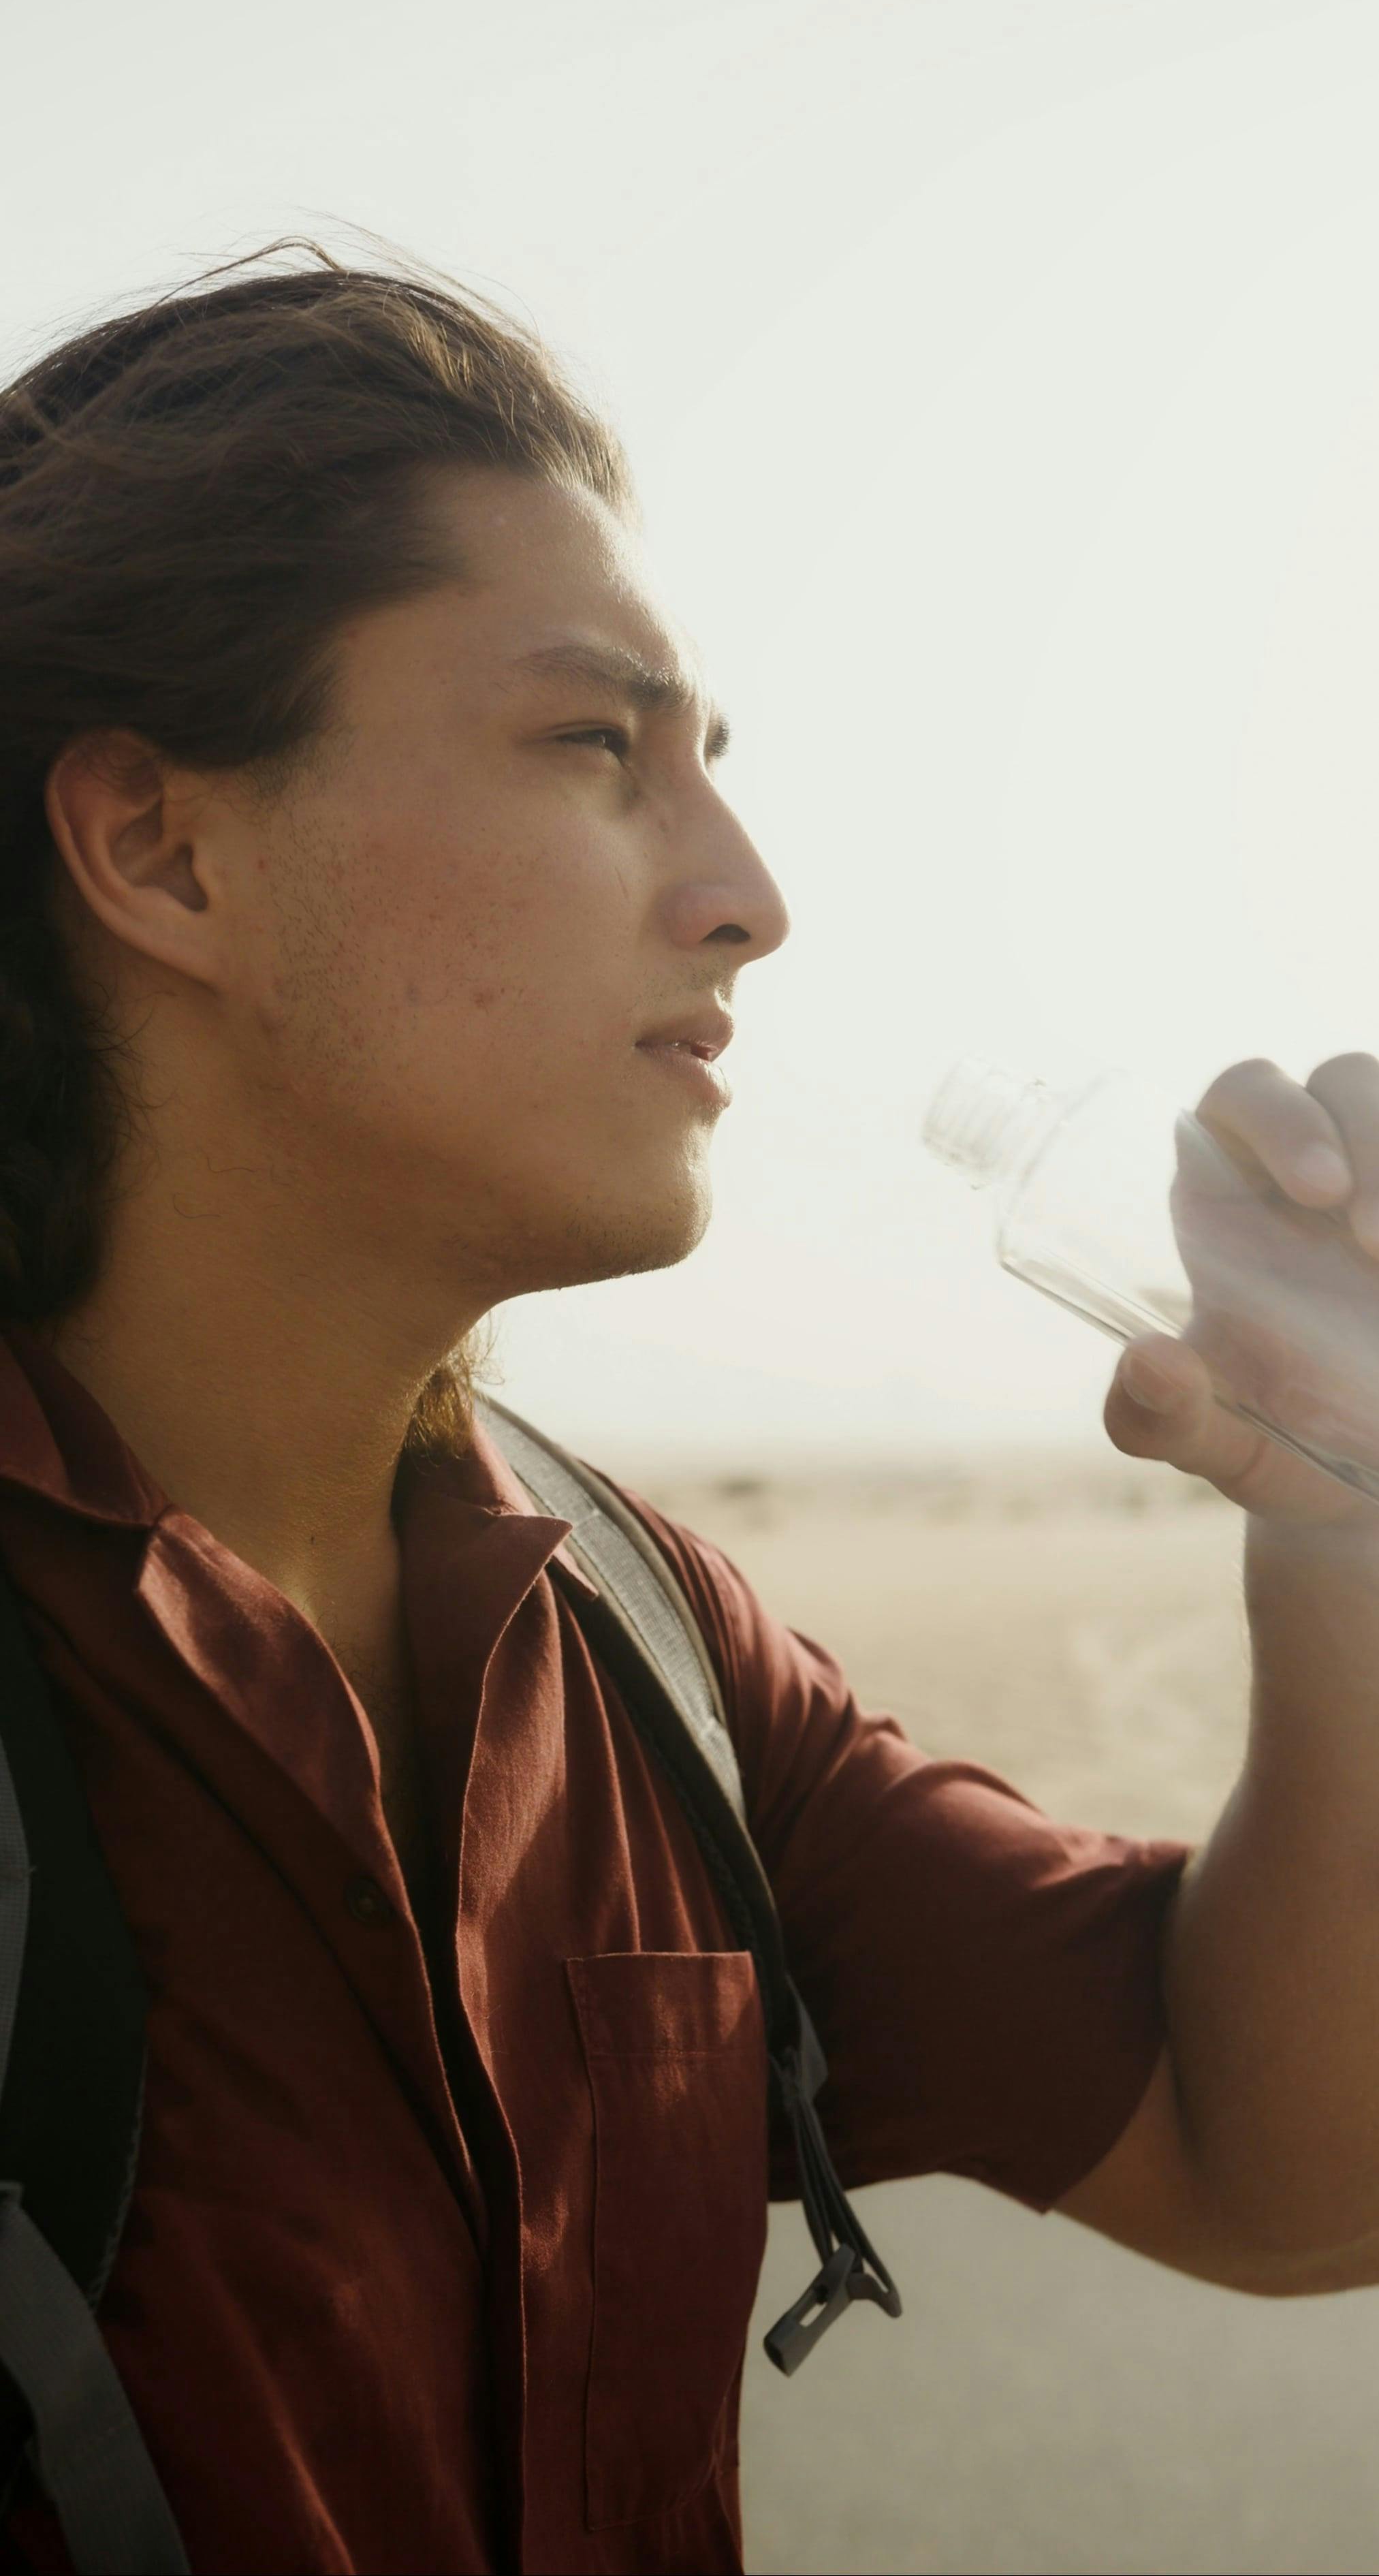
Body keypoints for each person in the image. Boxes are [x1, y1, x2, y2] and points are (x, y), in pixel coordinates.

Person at [0, 242, 1376, 2576]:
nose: (743, 899)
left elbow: (1280, 2170)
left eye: (707, 769)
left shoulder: (648, 1651)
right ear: (162, 847)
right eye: (590, 749)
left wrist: (1341, 1533)